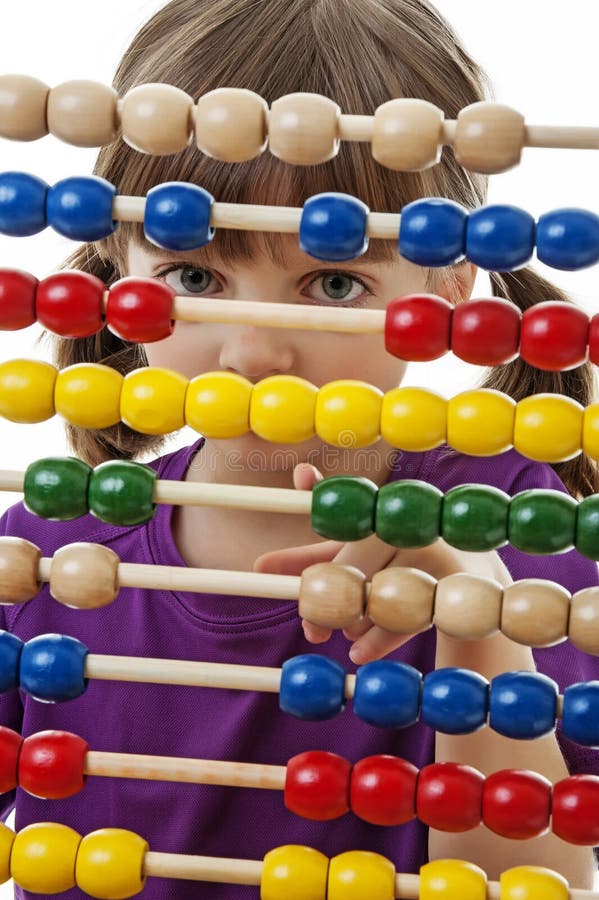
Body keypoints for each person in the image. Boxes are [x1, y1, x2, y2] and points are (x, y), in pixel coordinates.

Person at [0, 0, 598, 895]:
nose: (255, 350)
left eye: (331, 281)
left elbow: (539, 881)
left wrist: (475, 628)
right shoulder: (43, 562)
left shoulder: (529, 547)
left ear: (447, 284)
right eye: (196, 276)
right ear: (112, 273)